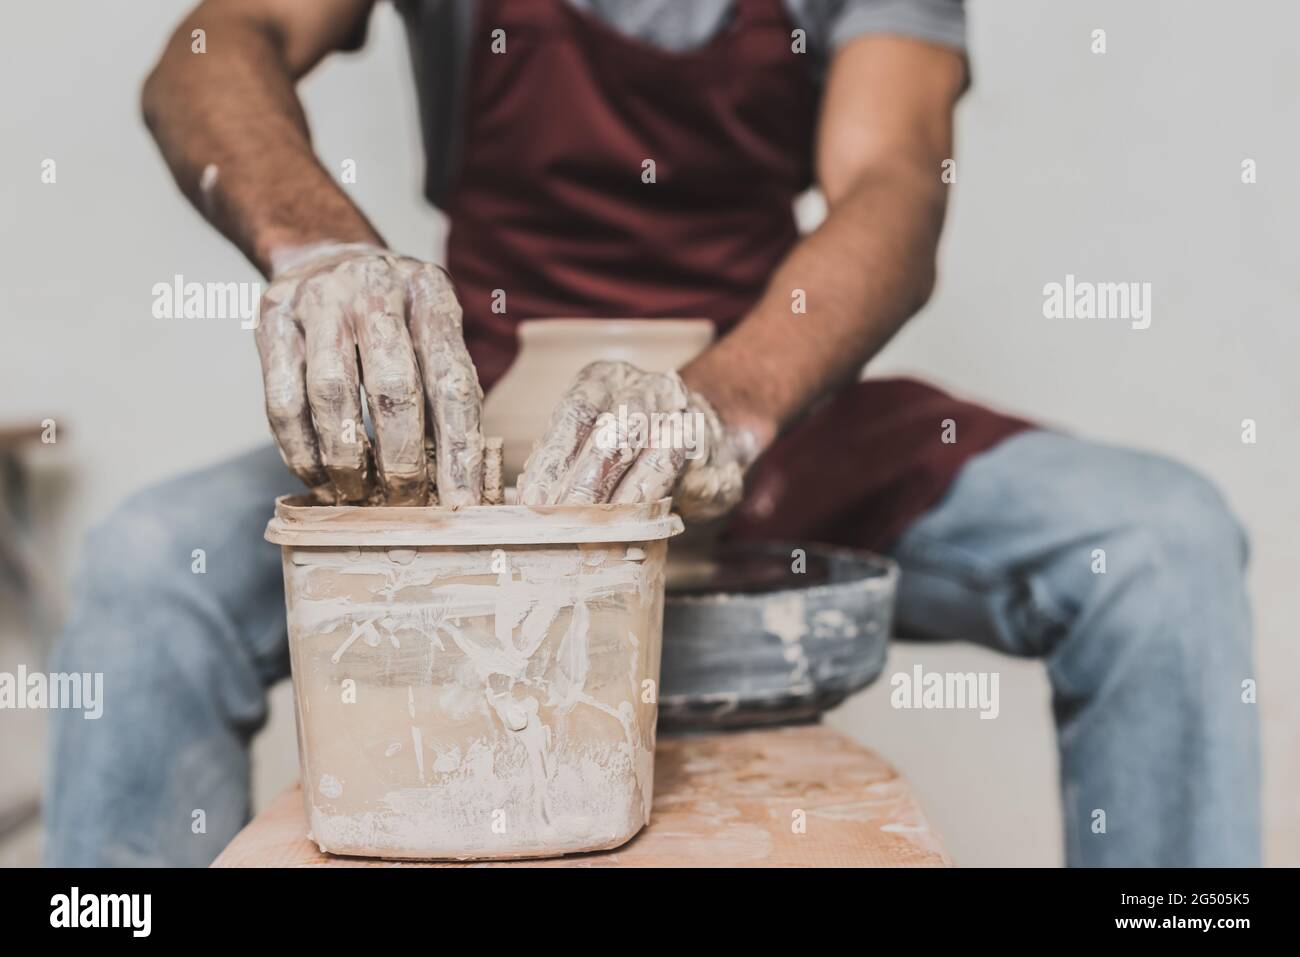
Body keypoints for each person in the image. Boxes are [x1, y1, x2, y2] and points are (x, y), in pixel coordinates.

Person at [45, 0, 1258, 867]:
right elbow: (209, 52)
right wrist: (323, 251)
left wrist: (727, 402)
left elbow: (894, 182)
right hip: (474, 414)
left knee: (1160, 540)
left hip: (769, 397)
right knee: (153, 564)